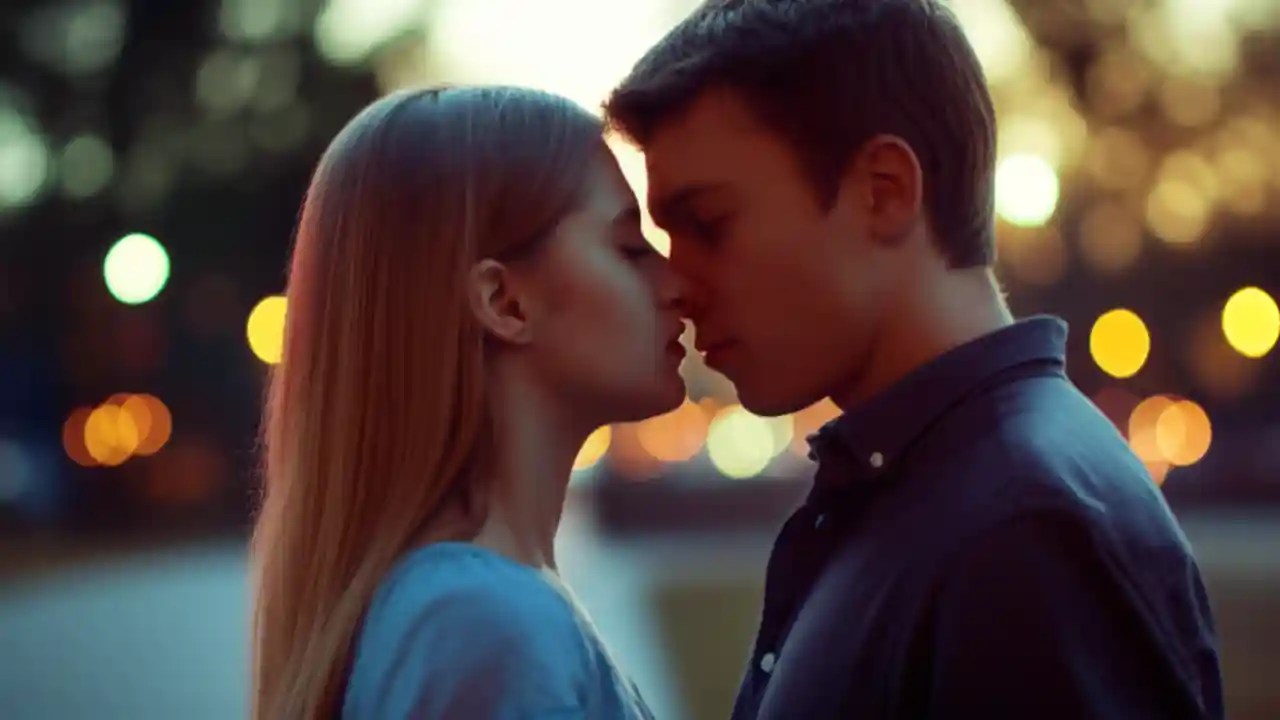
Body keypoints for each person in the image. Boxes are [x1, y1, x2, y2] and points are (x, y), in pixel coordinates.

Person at [605, 1, 1224, 718]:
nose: (675, 284)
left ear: (884, 192)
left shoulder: (1022, 528)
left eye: (710, 224)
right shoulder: (934, 486)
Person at [250, 86, 682, 719]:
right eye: (630, 249)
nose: (675, 282)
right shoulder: (483, 625)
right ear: (505, 303)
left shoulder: (473, 607)